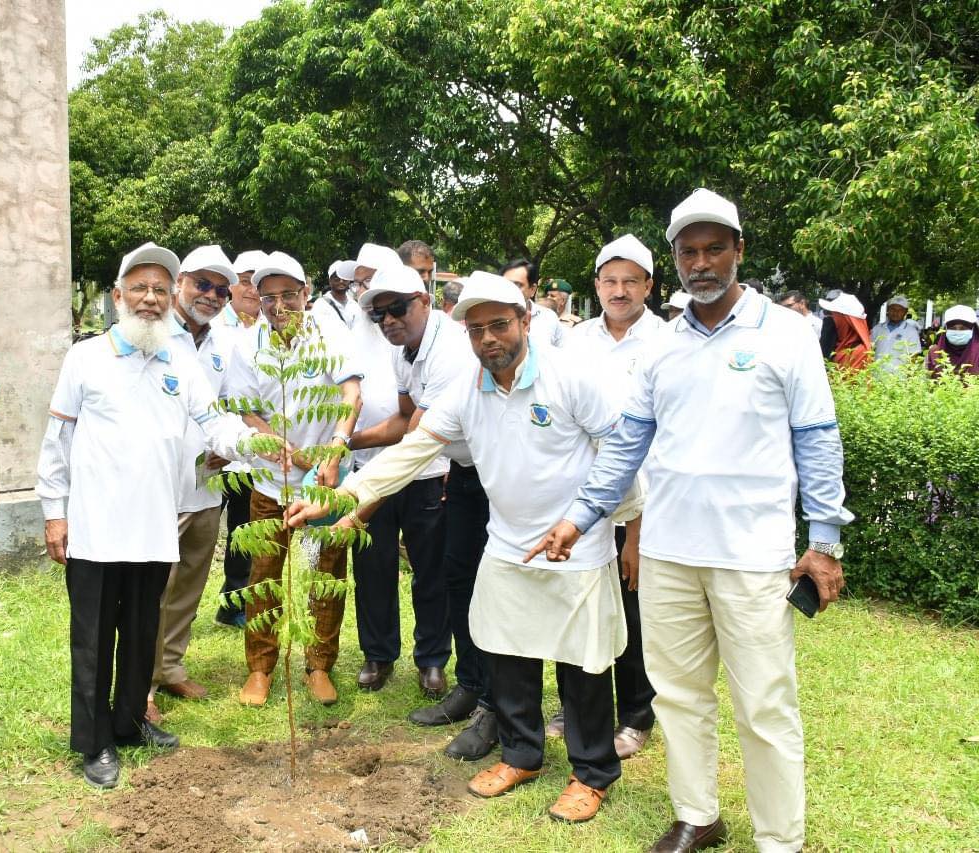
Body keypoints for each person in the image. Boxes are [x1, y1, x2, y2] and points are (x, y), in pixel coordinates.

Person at [534, 188, 852, 853]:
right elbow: (627, 442)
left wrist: (823, 541)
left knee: (764, 704)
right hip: (671, 551)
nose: (701, 263)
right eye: (688, 251)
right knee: (678, 695)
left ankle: (779, 839)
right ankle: (697, 813)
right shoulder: (663, 345)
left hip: (753, 552)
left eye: (714, 249)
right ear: (675, 260)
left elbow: (818, 438)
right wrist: (583, 515)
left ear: (739, 251)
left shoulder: (786, 334)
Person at [286, 273, 630, 823]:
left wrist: (594, 520)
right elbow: (416, 447)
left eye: (499, 325)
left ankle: (591, 772)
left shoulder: (572, 377)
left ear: (524, 322)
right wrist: (347, 495)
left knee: (581, 664)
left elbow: (619, 448)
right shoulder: (468, 388)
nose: (489, 338)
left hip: (576, 544)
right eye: (477, 330)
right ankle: (521, 755)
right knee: (506, 651)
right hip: (508, 542)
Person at [37, 242, 260, 790]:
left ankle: (131, 721)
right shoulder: (85, 358)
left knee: (141, 631)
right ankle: (94, 743)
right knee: (94, 639)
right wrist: (53, 513)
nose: (150, 299)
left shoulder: (179, 362)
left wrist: (254, 443)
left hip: (155, 525)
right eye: (139, 287)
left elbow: (215, 423)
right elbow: (57, 441)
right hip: (93, 527)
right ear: (117, 296)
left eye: (161, 289)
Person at [226, 251, 363, 708]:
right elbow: (246, 410)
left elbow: (350, 392)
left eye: (289, 295)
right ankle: (260, 669)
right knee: (265, 577)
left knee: (325, 574)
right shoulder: (248, 344)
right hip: (271, 482)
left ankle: (320, 665)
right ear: (258, 301)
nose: (279, 305)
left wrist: (336, 446)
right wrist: (281, 447)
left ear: (306, 295)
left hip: (324, 483)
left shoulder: (329, 333)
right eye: (269, 297)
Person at [557, 234, 665, 761]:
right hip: (585, 502)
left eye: (630, 281)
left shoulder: (667, 342)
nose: (619, 291)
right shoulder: (574, 342)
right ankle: (577, 706)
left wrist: (639, 530)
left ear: (648, 284)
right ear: (596, 285)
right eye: (609, 281)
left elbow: (661, 442)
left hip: (646, 503)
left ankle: (638, 713)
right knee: (581, 605)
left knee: (633, 607)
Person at [344, 265, 457, 697]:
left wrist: (359, 491)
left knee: (431, 571)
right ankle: (378, 655)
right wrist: (347, 443)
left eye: (397, 309)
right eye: (379, 314)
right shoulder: (400, 348)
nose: (388, 320)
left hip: (428, 472)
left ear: (424, 300)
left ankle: (432, 660)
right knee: (373, 567)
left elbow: (416, 434)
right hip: (385, 468)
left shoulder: (449, 349)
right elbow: (403, 417)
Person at [149, 245, 241, 712]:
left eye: (221, 290)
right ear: (181, 281)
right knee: (150, 588)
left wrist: (231, 452)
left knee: (189, 581)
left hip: (205, 487)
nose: (211, 295)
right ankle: (138, 684)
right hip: (158, 490)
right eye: (203, 284)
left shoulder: (225, 344)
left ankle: (170, 667)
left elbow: (228, 409)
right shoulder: (150, 333)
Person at [214, 250, 270, 628]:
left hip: (253, 447)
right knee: (194, 530)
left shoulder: (271, 329)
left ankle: (234, 602)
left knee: (243, 530)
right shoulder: (214, 325)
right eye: (245, 280)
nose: (251, 290)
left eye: (258, 283)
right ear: (232, 284)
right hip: (211, 445)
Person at [501, 259, 564, 349]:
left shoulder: (549, 318)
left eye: (518, 285)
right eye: (506, 285)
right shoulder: (488, 319)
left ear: (533, 289)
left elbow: (563, 353)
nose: (511, 290)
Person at [817, 291, 872, 370]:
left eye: (832, 315)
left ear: (845, 321)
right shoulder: (833, 343)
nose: (828, 318)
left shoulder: (860, 352)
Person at [870, 295, 922, 371]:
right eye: (893, 309)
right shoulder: (877, 329)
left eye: (900, 310)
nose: (896, 312)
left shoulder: (911, 331)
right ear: (888, 310)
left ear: (905, 312)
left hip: (898, 379)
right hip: (876, 376)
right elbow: (869, 351)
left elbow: (913, 356)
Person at [926, 304, 979, 379]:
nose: (958, 331)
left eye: (963, 328)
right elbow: (923, 382)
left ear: (973, 330)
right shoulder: (934, 352)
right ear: (946, 329)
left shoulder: (977, 353)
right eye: (953, 328)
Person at [316, 259, 361, 331]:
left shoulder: (355, 305)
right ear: (330, 281)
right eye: (337, 278)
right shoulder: (320, 304)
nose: (341, 281)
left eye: (344, 278)